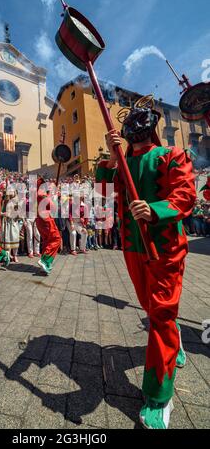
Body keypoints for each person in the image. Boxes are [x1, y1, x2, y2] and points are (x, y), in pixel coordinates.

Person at [96, 102, 196, 429]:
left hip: (165, 246)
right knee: (151, 309)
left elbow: (185, 195)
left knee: (162, 313)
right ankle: (173, 336)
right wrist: (112, 157)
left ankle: (158, 396)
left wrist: (155, 210)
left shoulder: (171, 155)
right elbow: (104, 191)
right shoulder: (122, 162)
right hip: (132, 246)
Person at [36, 177, 61, 275]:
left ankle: (45, 264)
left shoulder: (38, 194)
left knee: (47, 241)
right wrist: (53, 197)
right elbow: (53, 207)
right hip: (46, 220)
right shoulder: (42, 194)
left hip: (40, 220)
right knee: (56, 239)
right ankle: (45, 260)